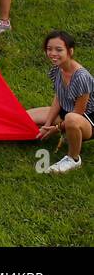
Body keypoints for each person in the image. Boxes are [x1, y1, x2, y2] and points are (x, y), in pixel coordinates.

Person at [30, 31, 92, 174]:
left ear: (70, 51)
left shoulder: (81, 77)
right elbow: (59, 97)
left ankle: (73, 159)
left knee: (71, 119)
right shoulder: (58, 69)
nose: (52, 53)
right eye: (49, 49)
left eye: (59, 50)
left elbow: (78, 113)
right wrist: (47, 124)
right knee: (26, 117)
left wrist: (57, 128)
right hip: (67, 112)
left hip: (86, 120)